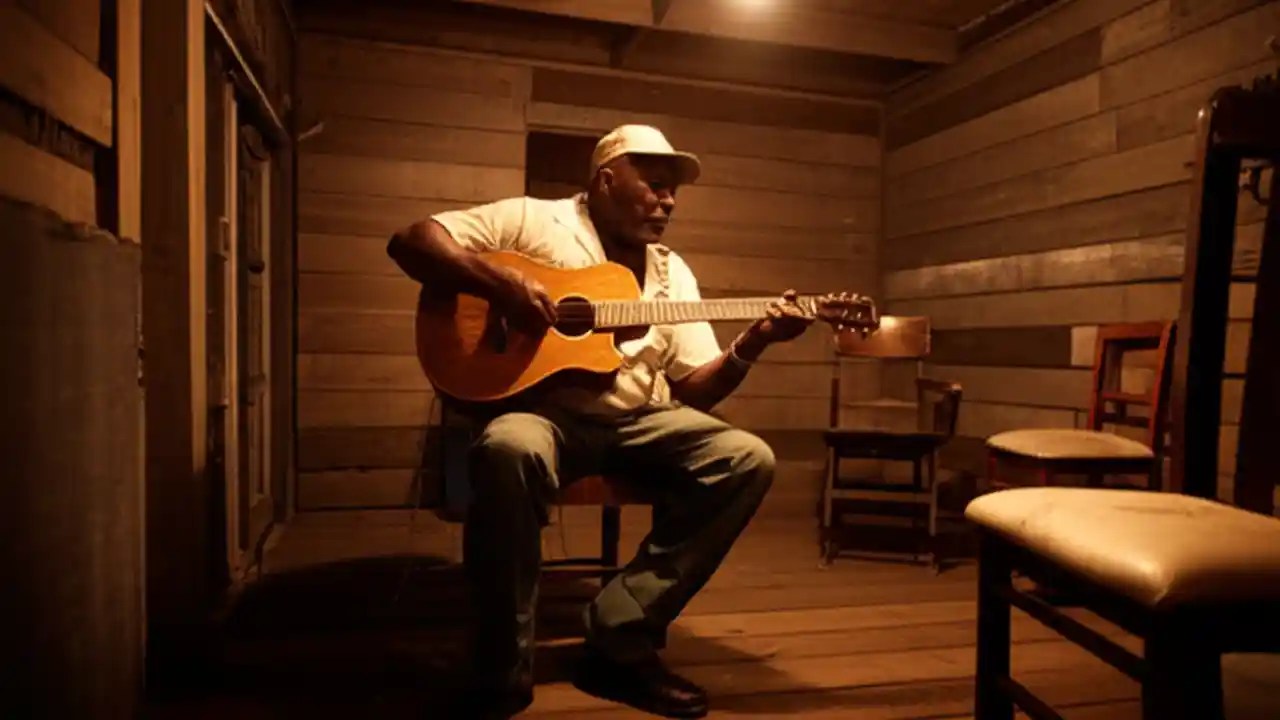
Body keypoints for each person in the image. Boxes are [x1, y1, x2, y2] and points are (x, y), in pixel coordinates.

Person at [386, 124, 816, 718]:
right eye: (656, 186)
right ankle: (500, 663)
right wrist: (503, 285)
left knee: (746, 458)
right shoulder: (534, 222)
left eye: (673, 193)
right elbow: (412, 243)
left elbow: (695, 391)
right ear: (607, 180)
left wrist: (755, 343)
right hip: (542, 417)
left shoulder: (671, 274)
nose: (668, 201)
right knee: (508, 448)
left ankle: (620, 635)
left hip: (640, 419)